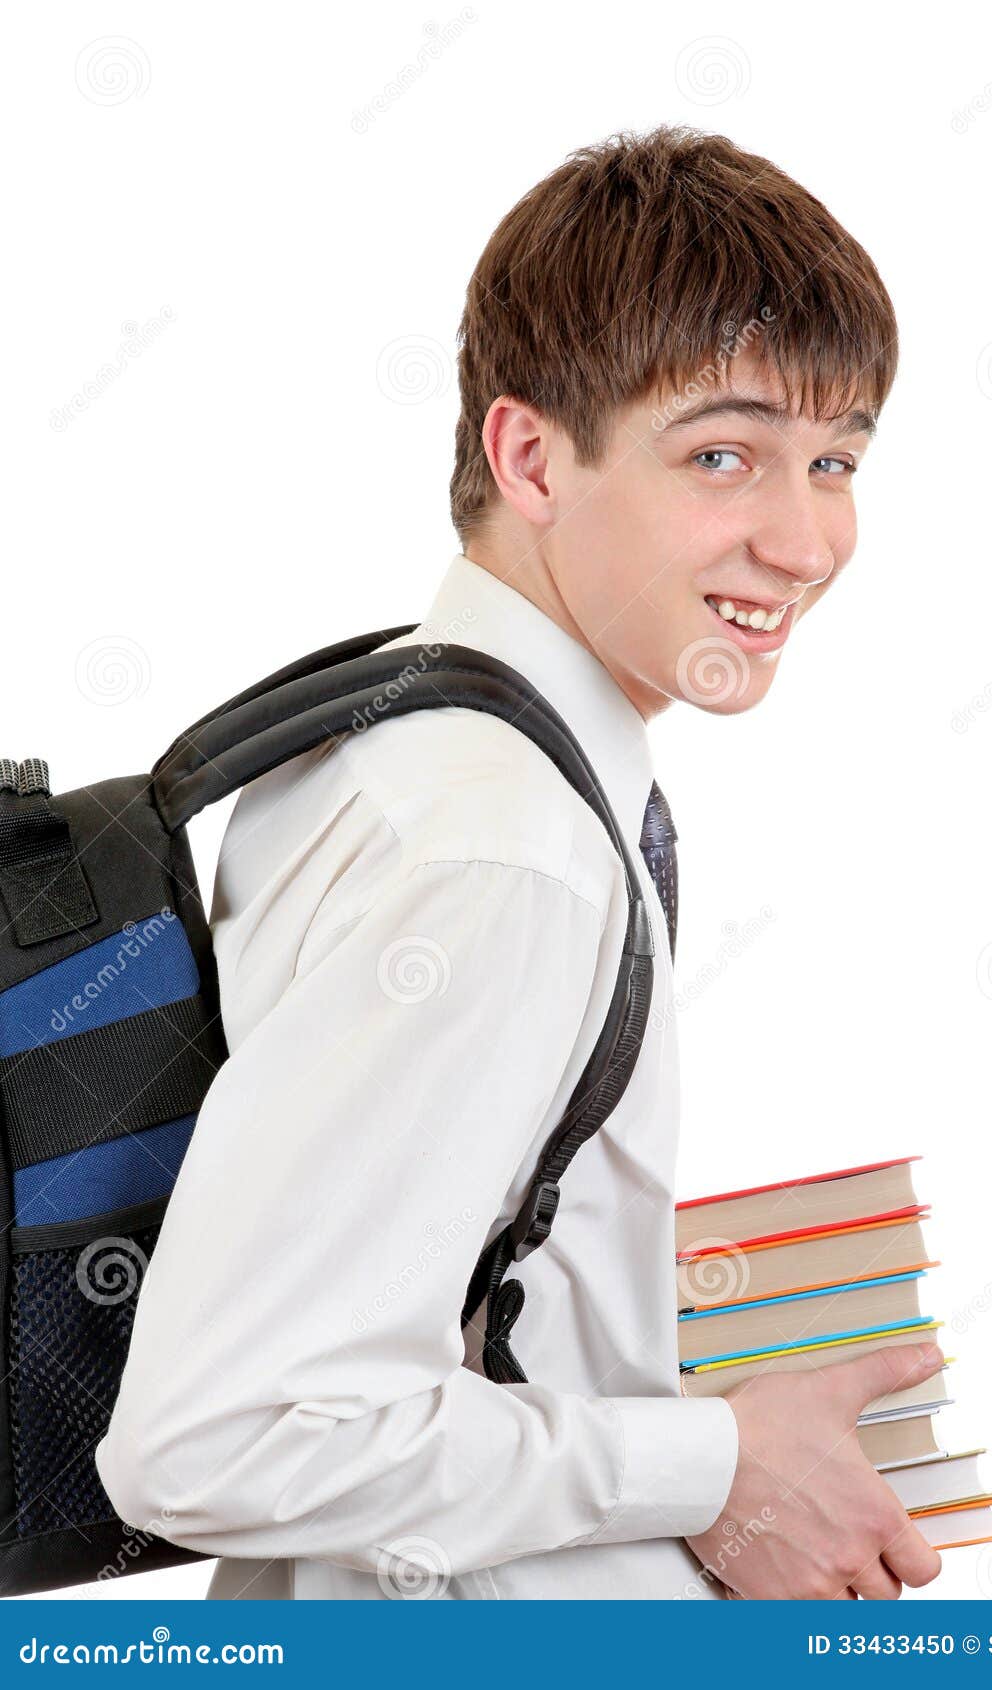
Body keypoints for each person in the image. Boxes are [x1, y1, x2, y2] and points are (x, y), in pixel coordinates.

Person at [96, 123, 944, 1601]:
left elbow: (408, 1247)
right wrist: (718, 1459)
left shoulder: (398, 723)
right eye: (725, 455)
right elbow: (209, 1436)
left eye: (837, 459)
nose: (805, 540)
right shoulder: (509, 848)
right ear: (531, 453)